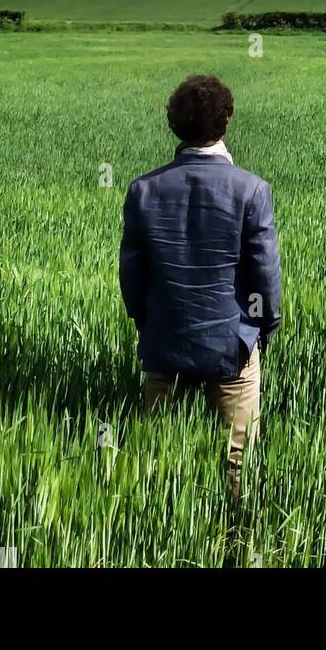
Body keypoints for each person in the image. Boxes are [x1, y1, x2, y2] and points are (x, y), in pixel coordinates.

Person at [119, 74, 281, 497]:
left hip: (164, 344)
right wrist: (262, 330)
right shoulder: (252, 190)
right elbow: (264, 276)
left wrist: (147, 323)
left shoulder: (144, 190)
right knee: (237, 463)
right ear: (226, 120)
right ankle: (236, 537)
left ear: (173, 124)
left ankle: (153, 535)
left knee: (153, 461)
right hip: (232, 348)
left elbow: (132, 276)